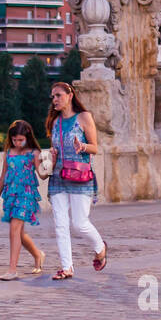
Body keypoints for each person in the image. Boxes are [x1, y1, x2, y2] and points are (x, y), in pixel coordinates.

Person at [45, 81, 108, 281]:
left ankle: (100, 248)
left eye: (58, 95)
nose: (54, 100)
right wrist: (52, 157)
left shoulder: (83, 117)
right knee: (60, 224)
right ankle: (66, 267)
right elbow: (54, 146)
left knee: (80, 223)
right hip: (58, 176)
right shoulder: (54, 122)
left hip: (80, 175)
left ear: (70, 95)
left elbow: (95, 148)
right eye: (53, 97)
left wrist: (82, 146)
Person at [0, 119, 46, 280]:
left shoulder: (34, 153)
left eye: (20, 139)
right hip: (11, 195)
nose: (17, 142)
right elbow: (3, 176)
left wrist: (50, 164)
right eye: (14, 139)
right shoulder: (9, 152)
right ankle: (38, 255)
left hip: (26, 195)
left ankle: (12, 270)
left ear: (28, 137)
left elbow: (42, 175)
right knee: (19, 233)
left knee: (14, 229)